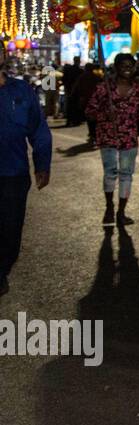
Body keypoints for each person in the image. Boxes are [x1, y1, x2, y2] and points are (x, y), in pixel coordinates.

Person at [0, 54, 51, 296]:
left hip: (14, 174)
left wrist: (42, 163)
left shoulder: (21, 90)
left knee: (11, 228)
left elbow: (38, 128)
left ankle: (2, 271)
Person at [85, 53, 139, 227]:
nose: (127, 69)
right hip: (108, 137)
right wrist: (105, 114)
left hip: (129, 139)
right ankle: (109, 207)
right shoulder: (103, 88)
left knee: (126, 175)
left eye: (131, 66)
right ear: (116, 68)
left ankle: (121, 212)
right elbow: (89, 111)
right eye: (124, 66)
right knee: (110, 174)